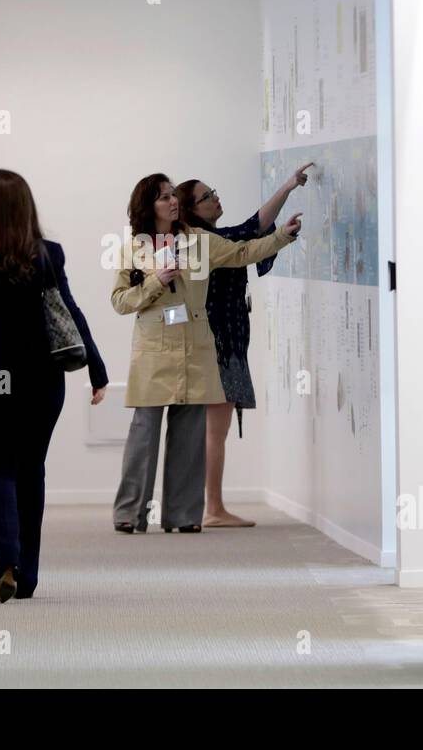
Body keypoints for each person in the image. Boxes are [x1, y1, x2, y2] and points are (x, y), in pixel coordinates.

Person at [0, 169, 108, 602]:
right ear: (26, 206)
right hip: (41, 378)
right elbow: (68, 311)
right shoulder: (47, 255)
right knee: (31, 469)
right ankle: (30, 574)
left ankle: (7, 563)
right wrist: (96, 366)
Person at [111, 173, 302, 534]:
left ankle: (183, 516)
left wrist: (281, 237)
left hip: (196, 348)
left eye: (173, 195)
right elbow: (120, 301)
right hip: (154, 352)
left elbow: (243, 252)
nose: (172, 201)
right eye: (164, 196)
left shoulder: (199, 241)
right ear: (147, 206)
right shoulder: (134, 248)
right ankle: (129, 514)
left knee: (189, 437)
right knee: (143, 437)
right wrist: (155, 281)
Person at [175, 163, 313, 528]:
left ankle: (211, 506)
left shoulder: (207, 239)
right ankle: (213, 508)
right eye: (207, 197)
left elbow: (252, 228)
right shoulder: (206, 243)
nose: (215, 198)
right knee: (214, 432)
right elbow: (252, 235)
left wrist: (286, 188)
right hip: (221, 343)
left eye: (212, 191)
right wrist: (285, 208)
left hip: (224, 340)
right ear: (192, 210)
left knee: (211, 431)